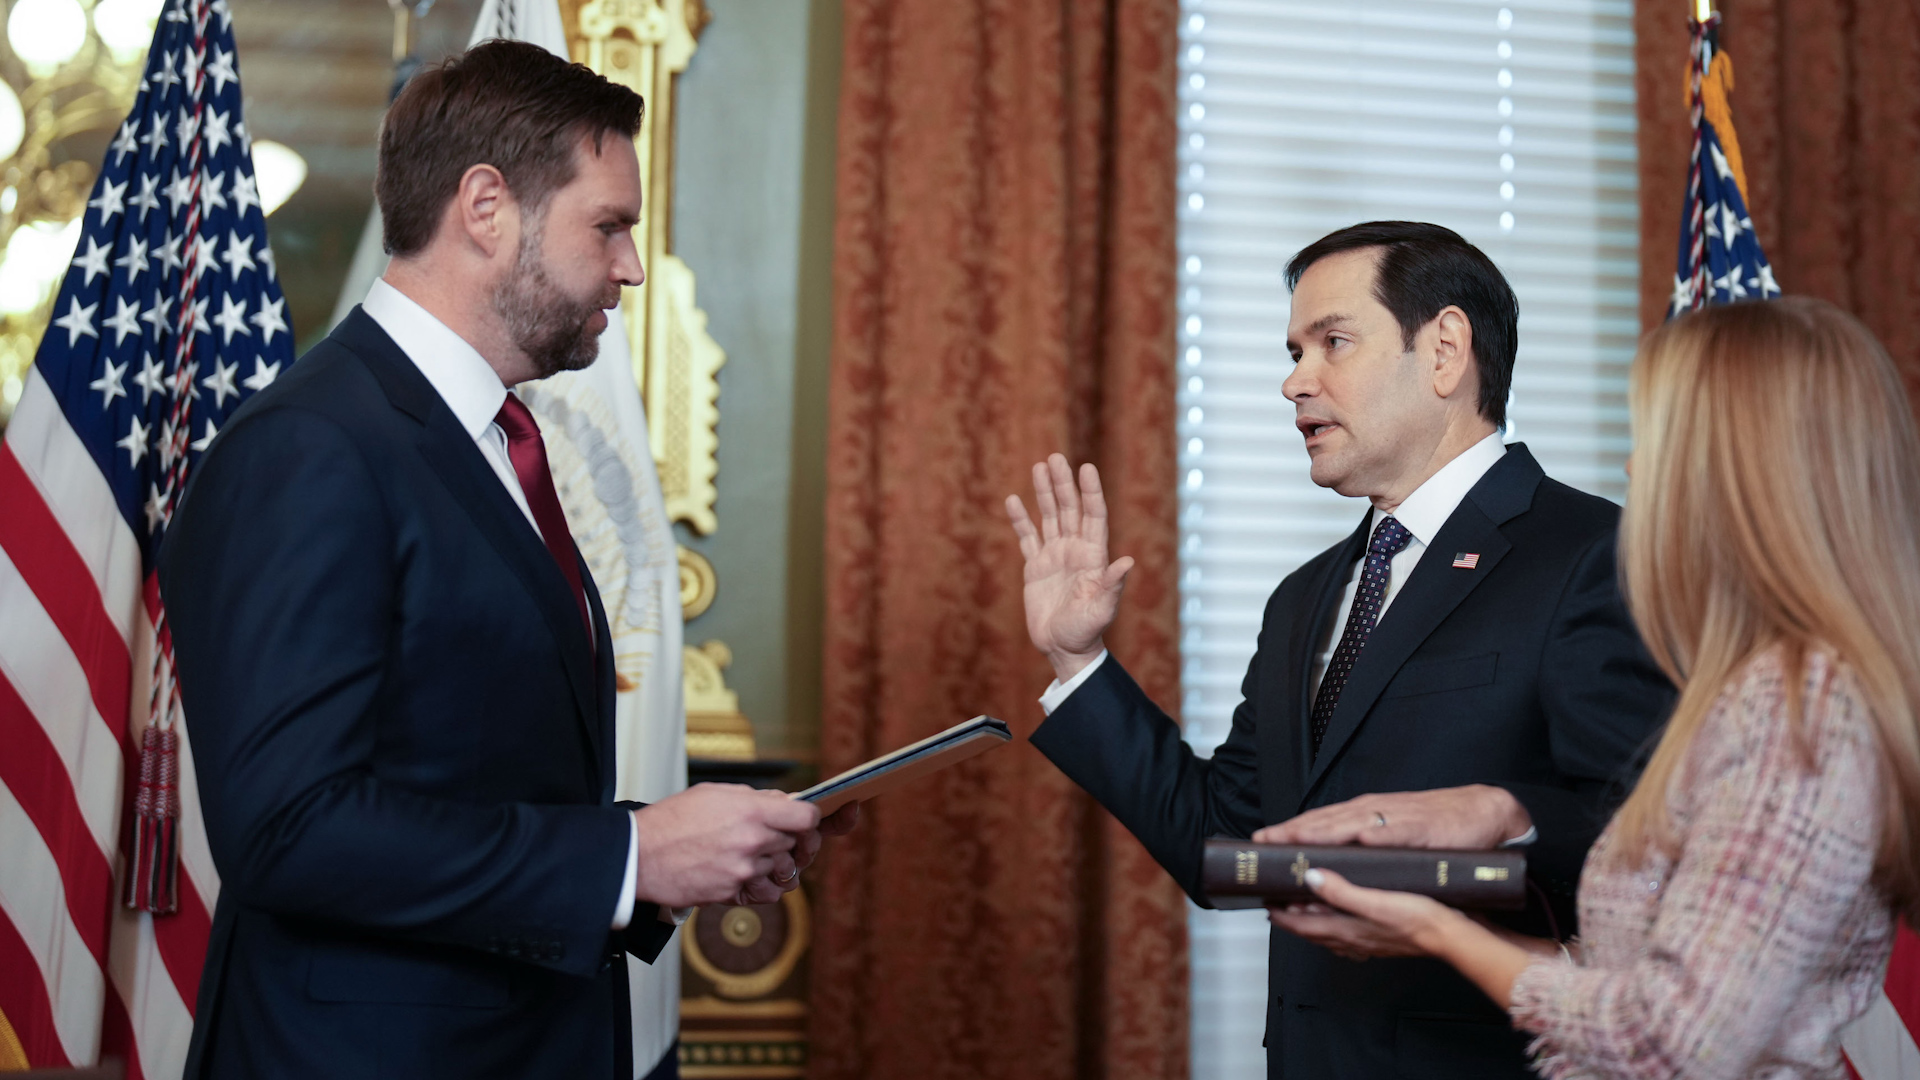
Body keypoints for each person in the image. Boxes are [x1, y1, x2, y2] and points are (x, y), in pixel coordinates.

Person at [159, 41, 853, 1080]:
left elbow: (473, 779)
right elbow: (288, 829)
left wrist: (664, 854)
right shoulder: (310, 447)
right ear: (486, 209)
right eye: (608, 226)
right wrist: (630, 855)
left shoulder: (493, 440)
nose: (629, 265)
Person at [1006, 221, 1674, 1078]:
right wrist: (1078, 664)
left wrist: (1503, 815)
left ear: (1443, 351)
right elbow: (1227, 844)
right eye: (1294, 350)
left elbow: (1646, 839)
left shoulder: (1595, 554)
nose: (1294, 381)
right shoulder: (1304, 597)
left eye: (1333, 342)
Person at [1287, 297, 1920, 1079]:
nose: (1631, 468)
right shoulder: (1752, 688)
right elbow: (1669, 979)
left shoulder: (1803, 707)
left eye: (1653, 439)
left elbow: (1670, 1042)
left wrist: (1439, 932)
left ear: (1737, 469)